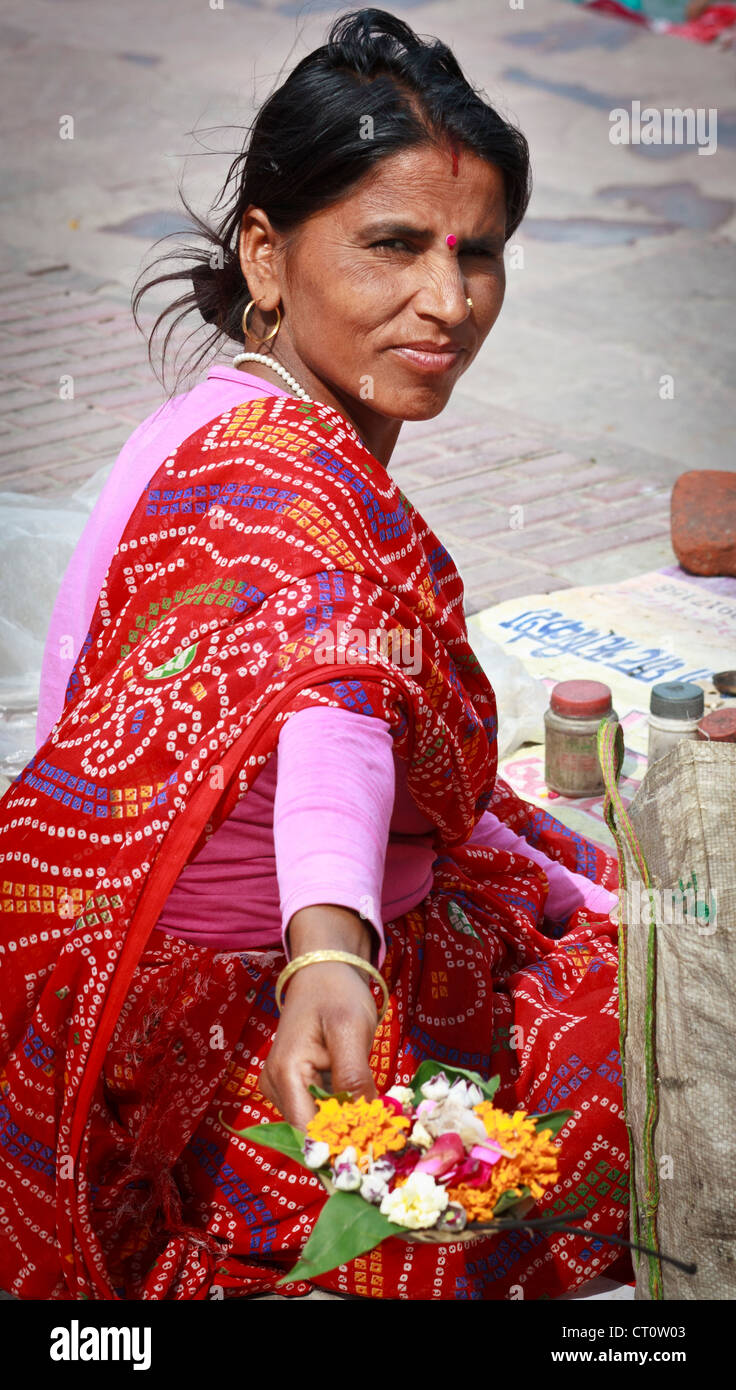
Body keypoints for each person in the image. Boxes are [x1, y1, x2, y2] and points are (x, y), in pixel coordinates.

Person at [0, 8, 630, 1302]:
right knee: (600, 1083)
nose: (448, 302)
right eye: (394, 246)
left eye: (479, 254)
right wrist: (331, 952)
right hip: (243, 999)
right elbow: (335, 712)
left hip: (150, 951)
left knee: (591, 896)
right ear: (267, 255)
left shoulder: (215, 424)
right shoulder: (282, 488)